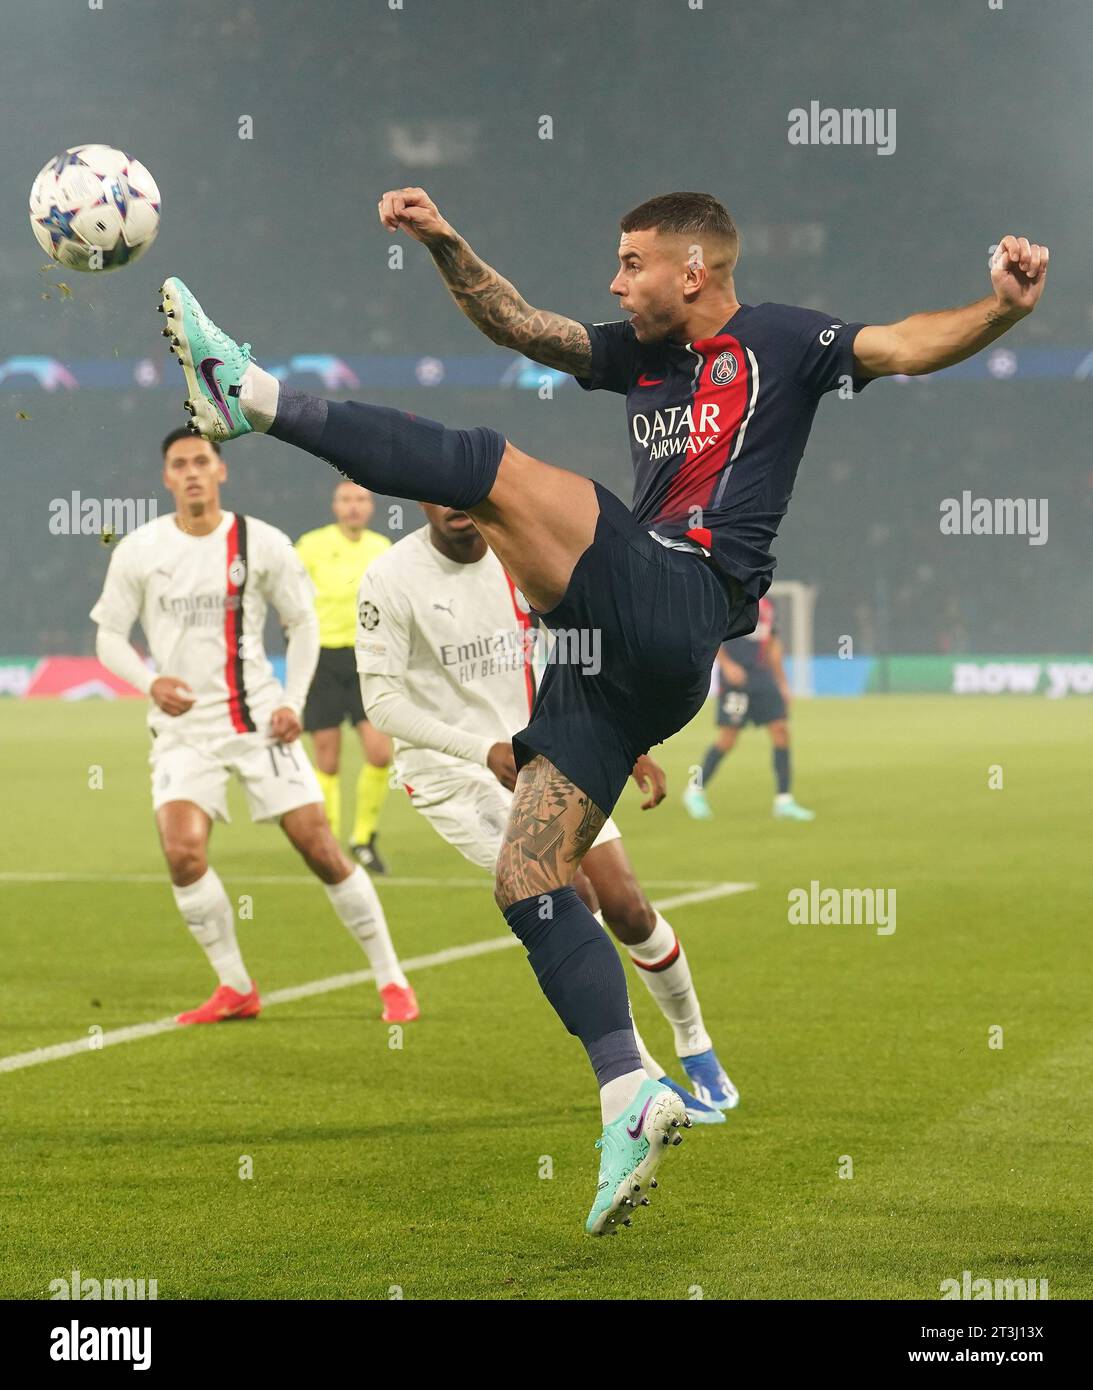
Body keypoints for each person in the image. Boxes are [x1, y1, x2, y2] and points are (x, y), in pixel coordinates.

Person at [155, 205, 1046, 1234]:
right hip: (631, 668)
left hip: (685, 589)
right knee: (527, 873)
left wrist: (1001, 307)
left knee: (488, 469)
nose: (617, 285)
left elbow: (903, 344)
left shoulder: (786, 342)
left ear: (695, 264)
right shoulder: (639, 358)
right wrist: (447, 243)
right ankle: (628, 1088)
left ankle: (250, 396)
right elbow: (524, 326)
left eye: (632, 265)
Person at [357, 500, 740, 1123]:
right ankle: (644, 1078)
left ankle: (696, 1043)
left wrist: (626, 738)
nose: (453, 504)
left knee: (628, 905)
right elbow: (381, 702)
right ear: (419, 495)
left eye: (463, 490)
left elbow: (572, 648)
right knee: (572, 896)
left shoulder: (521, 554)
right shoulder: (391, 577)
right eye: (436, 491)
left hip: (546, 749)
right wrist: (481, 749)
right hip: (453, 773)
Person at [90, 428, 419, 1026]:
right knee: (183, 854)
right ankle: (235, 986)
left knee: (320, 848)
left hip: (259, 722)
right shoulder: (139, 550)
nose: (191, 471)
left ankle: (391, 979)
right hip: (184, 730)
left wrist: (292, 700)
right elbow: (109, 635)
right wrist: (149, 684)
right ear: (166, 477)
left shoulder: (259, 542)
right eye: (179, 464)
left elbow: (303, 625)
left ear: (221, 471)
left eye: (201, 461)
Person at [296, 481, 394, 873]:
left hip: (366, 659)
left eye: (361, 499)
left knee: (379, 753)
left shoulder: (382, 549)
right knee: (328, 759)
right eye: (346, 500)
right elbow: (291, 594)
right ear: (335, 506)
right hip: (321, 659)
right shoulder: (311, 545)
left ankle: (363, 838)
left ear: (370, 507)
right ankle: (329, 842)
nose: (353, 507)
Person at [684, 595, 814, 821]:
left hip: (762, 676)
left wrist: (782, 682)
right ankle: (694, 790)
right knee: (728, 738)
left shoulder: (769, 603)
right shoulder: (730, 597)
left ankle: (784, 801)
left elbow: (772, 644)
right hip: (736, 679)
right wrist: (726, 665)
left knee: (781, 731)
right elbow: (710, 634)